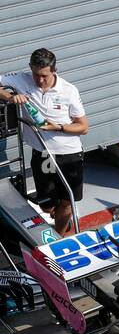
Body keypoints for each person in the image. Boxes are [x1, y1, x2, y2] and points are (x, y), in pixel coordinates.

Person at [0, 49, 89, 237]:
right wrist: (10, 97)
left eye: (44, 76)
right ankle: (58, 216)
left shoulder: (69, 90)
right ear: (30, 68)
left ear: (54, 70)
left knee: (66, 202)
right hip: (42, 153)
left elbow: (83, 127)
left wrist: (59, 127)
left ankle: (58, 236)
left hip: (69, 155)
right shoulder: (21, 80)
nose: (39, 80)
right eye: (35, 74)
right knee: (46, 205)